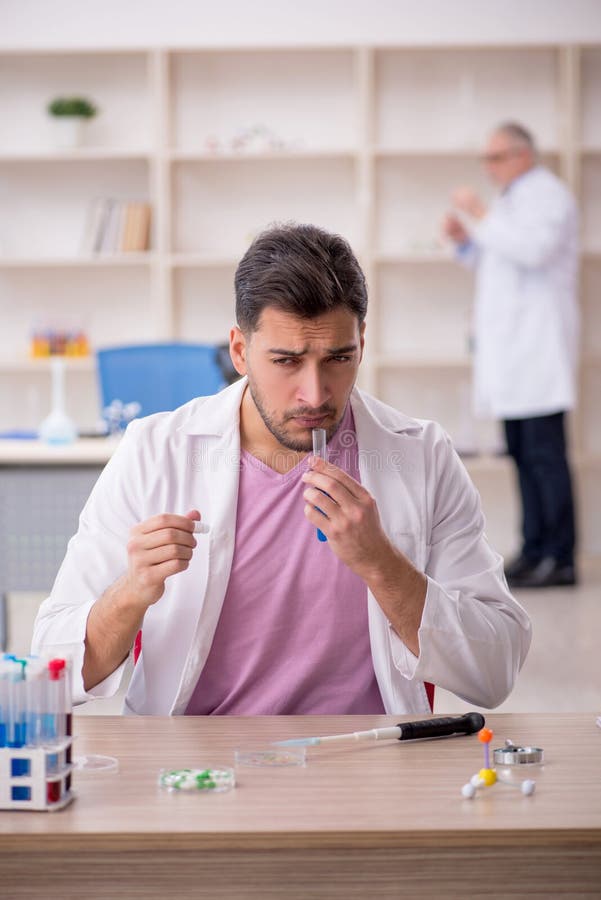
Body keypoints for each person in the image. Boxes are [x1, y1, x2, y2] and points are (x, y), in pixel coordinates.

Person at [32, 223, 531, 715]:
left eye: (338, 358)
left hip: (370, 762)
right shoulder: (154, 452)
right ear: (240, 351)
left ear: (362, 341)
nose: (315, 394)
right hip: (197, 766)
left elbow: (494, 671)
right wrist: (131, 592)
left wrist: (382, 564)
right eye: (287, 361)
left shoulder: (422, 455)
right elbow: (49, 669)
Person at [443, 122, 579, 589]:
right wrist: (465, 237)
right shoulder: (508, 202)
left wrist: (480, 212)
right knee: (521, 453)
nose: (489, 167)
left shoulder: (549, 195)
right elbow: (491, 259)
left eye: (496, 158)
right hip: (512, 356)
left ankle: (560, 557)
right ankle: (534, 548)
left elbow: (534, 251)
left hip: (538, 351)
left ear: (522, 155)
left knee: (545, 456)